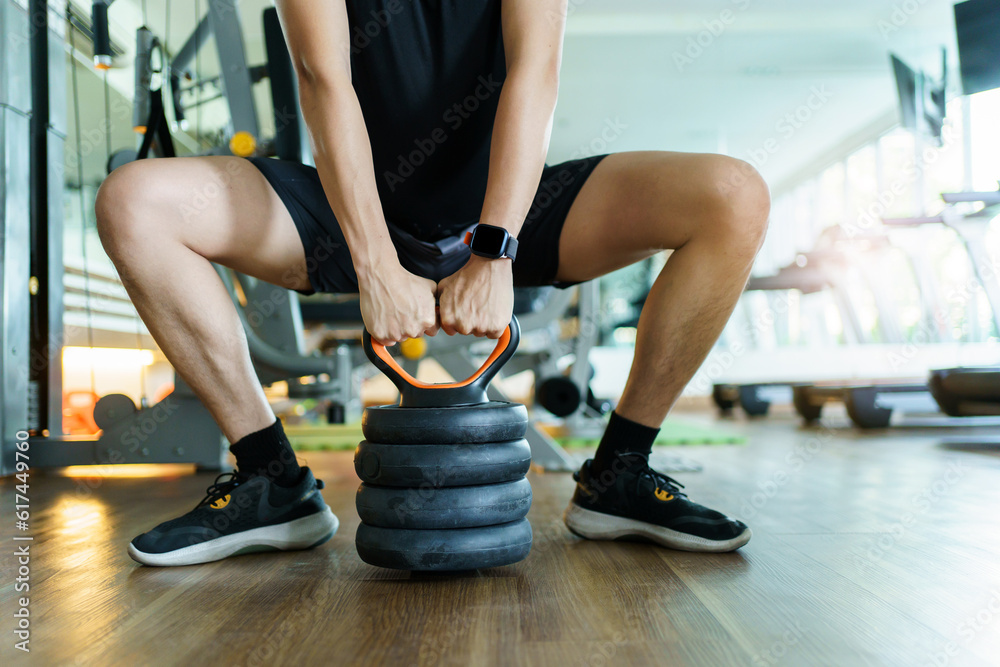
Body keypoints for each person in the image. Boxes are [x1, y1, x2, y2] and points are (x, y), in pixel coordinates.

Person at [97, 0, 769, 567]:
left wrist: (496, 250)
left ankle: (621, 468)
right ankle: (270, 476)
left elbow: (535, 74)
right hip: (348, 209)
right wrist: (375, 265)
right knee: (134, 201)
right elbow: (322, 78)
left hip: (513, 207)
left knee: (732, 196)